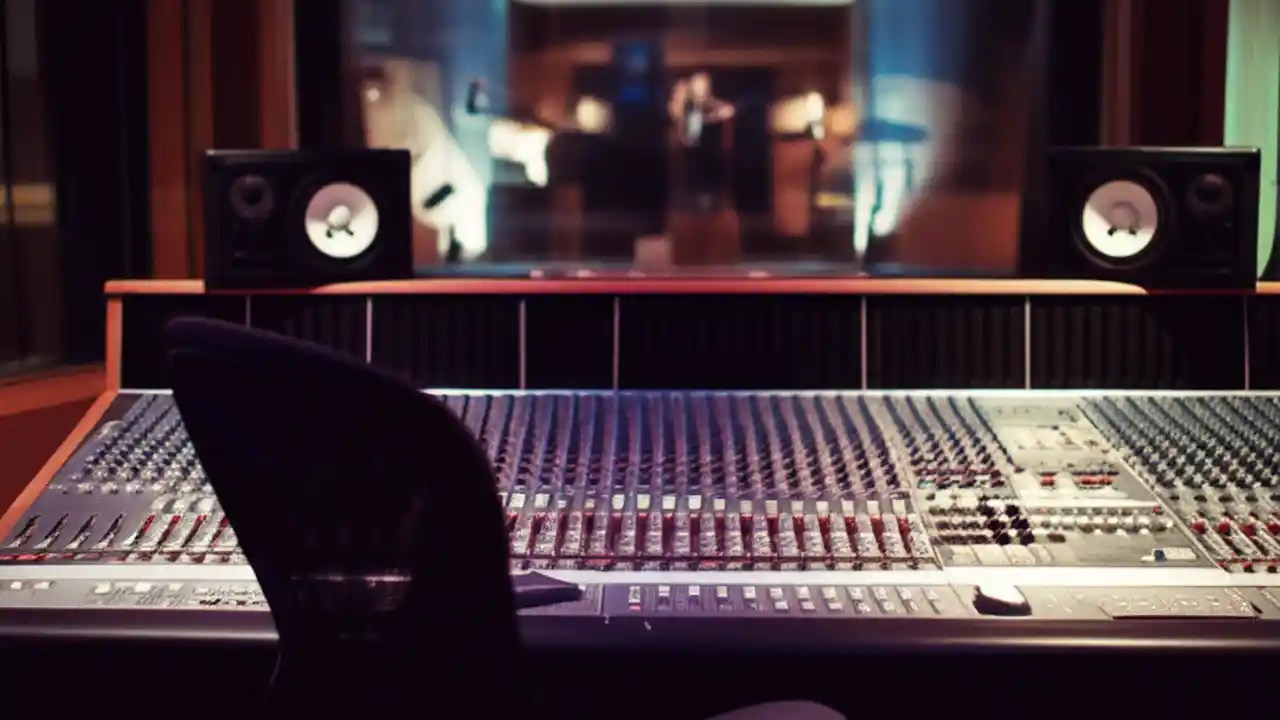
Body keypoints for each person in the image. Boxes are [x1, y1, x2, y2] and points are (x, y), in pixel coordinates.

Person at [669, 71, 736, 211]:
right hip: (688, 158)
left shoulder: (714, 107)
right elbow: (686, 135)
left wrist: (712, 115)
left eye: (703, 87)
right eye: (697, 87)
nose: (700, 91)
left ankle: (707, 201)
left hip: (709, 157)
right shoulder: (684, 107)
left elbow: (728, 110)